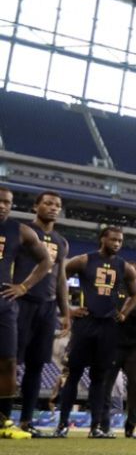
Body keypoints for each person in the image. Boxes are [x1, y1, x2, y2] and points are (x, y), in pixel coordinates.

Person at [57, 226, 136, 438]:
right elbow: (59, 279)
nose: (117, 244)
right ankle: (63, 424)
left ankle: (95, 427)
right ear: (102, 239)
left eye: (120, 241)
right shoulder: (84, 260)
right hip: (86, 323)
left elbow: (135, 294)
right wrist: (68, 310)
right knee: (73, 374)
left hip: (109, 327)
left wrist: (123, 314)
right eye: (113, 240)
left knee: (100, 378)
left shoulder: (124, 266)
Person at [12, 191, 68, 437]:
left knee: (36, 366)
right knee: (9, 362)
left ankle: (26, 421)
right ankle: (4, 417)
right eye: (47, 203)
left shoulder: (61, 241)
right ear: (36, 205)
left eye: (57, 205)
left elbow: (61, 278)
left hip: (48, 306)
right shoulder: (23, 232)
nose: (53, 208)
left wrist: (66, 312)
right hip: (21, 301)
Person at [0, 186, 54, 439]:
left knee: (9, 361)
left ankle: (3, 420)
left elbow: (47, 261)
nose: (3, 206)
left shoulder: (19, 230)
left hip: (4, 302)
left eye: (7, 202)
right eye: (0, 201)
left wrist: (24, 286)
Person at [101, 263, 136, 438]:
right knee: (106, 385)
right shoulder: (114, 289)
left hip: (135, 347)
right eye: (135, 271)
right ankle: (103, 425)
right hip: (113, 344)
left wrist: (128, 309)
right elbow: (111, 311)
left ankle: (131, 426)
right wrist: (133, 305)